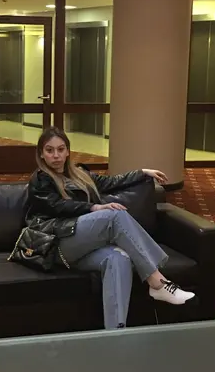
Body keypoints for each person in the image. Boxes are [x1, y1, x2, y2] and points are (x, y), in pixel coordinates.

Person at [26, 126, 195, 330]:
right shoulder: (40, 180)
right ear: (41, 154)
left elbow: (111, 181)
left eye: (60, 149)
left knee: (119, 258)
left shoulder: (80, 174)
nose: (56, 155)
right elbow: (56, 206)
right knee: (114, 215)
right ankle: (157, 281)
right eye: (49, 150)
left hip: (82, 247)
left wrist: (142, 173)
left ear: (68, 151)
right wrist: (93, 207)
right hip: (58, 244)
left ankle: (115, 334)